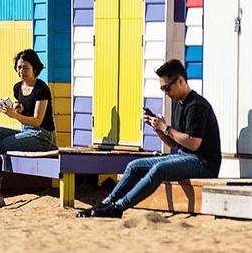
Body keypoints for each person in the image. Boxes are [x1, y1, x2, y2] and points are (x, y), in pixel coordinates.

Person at [77, 59, 221, 218]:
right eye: (162, 89)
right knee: (134, 166)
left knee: (158, 170)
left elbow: (193, 144)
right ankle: (105, 203)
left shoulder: (197, 105)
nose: (166, 93)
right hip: (184, 156)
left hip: (203, 163)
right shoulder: (179, 104)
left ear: (180, 81)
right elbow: (175, 143)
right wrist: (159, 130)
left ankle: (118, 207)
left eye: (167, 88)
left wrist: (166, 128)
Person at [0, 49, 57, 209]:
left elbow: (37, 121)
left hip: (42, 136)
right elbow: (23, 107)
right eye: (19, 67)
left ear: (35, 68)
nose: (21, 71)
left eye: (25, 68)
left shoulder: (41, 88)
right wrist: (16, 107)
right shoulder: (17, 87)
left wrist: (15, 115)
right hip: (26, 132)